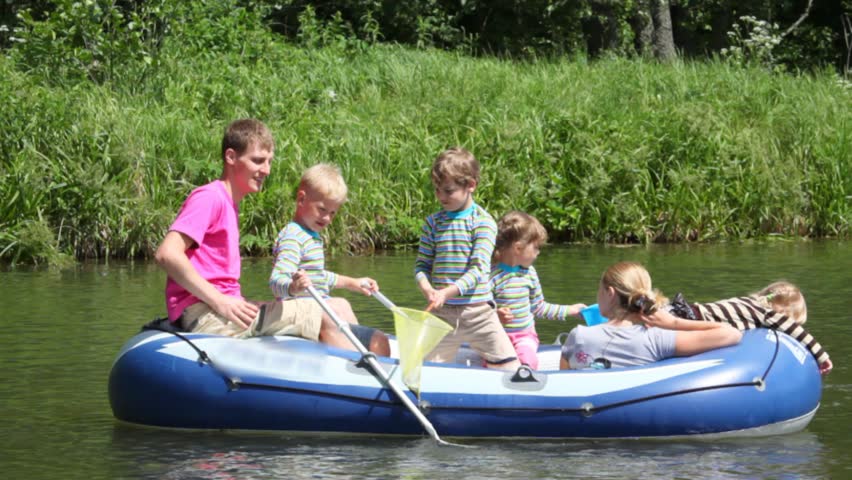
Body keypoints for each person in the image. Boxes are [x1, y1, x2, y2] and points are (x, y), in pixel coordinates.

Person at [154, 119, 353, 350]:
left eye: (269, 161)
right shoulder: (210, 197)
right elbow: (166, 254)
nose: (266, 170)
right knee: (335, 310)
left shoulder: (230, 204)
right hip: (205, 313)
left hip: (220, 307)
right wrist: (220, 301)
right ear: (231, 157)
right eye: (258, 161)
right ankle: (359, 383)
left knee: (333, 307)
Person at [414, 147, 521, 370]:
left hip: (479, 312)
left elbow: (478, 269)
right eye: (437, 190)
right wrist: (426, 287)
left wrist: (446, 292)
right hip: (442, 315)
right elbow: (422, 265)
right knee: (426, 373)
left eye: (448, 191)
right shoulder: (433, 223)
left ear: (470, 185)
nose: (441, 196)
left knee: (509, 369)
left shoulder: (482, 222)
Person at [269, 163, 390, 356]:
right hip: (300, 308)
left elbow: (319, 276)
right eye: (322, 209)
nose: (327, 218)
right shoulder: (293, 236)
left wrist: (353, 283)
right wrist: (293, 287)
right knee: (335, 308)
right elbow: (276, 281)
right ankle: (351, 358)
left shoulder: (311, 236)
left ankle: (356, 349)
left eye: (333, 213)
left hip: (319, 305)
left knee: (342, 303)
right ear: (301, 199)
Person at [560, 261, 742, 370]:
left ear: (610, 292)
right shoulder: (656, 338)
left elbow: (565, 383)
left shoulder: (578, 335)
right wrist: (673, 322)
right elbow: (731, 334)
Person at [666, 281, 832, 375]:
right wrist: (822, 357)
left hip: (680, 310)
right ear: (783, 314)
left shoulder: (747, 302)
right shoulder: (766, 313)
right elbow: (799, 333)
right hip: (689, 319)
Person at [490, 211, 586, 369]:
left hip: (524, 335)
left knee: (528, 358)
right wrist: (495, 314)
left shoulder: (530, 273)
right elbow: (480, 309)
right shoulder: (491, 275)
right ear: (518, 248)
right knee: (495, 363)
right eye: (535, 248)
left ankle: (526, 376)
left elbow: (539, 307)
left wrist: (571, 310)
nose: (538, 253)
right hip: (497, 336)